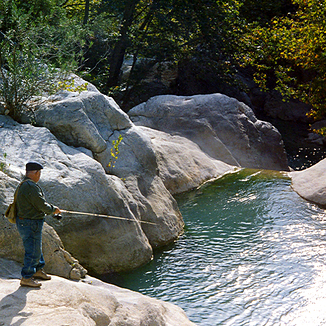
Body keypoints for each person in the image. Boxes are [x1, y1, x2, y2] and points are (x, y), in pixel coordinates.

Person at [15, 162, 61, 288]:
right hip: (30, 222)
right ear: (36, 173)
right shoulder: (30, 186)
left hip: (28, 222)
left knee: (36, 247)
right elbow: (41, 205)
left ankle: (38, 270)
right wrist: (54, 210)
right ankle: (27, 277)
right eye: (39, 173)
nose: (39, 176)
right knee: (33, 250)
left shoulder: (24, 184)